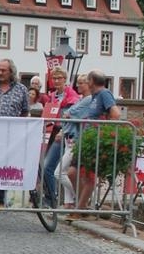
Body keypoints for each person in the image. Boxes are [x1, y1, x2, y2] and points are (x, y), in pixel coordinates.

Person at [69, 70, 121, 211]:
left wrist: (103, 132)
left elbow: (116, 114)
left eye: (87, 80)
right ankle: (83, 205)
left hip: (94, 140)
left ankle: (79, 209)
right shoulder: (94, 96)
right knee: (72, 173)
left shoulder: (104, 94)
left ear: (91, 81)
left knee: (88, 176)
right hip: (85, 139)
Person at [43, 73, 91, 208]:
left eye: (82, 82)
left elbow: (71, 114)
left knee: (59, 172)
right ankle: (69, 203)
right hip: (65, 137)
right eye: (78, 82)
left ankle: (81, 197)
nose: (79, 85)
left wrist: (66, 119)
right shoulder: (79, 99)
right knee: (62, 171)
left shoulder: (82, 99)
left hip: (73, 138)